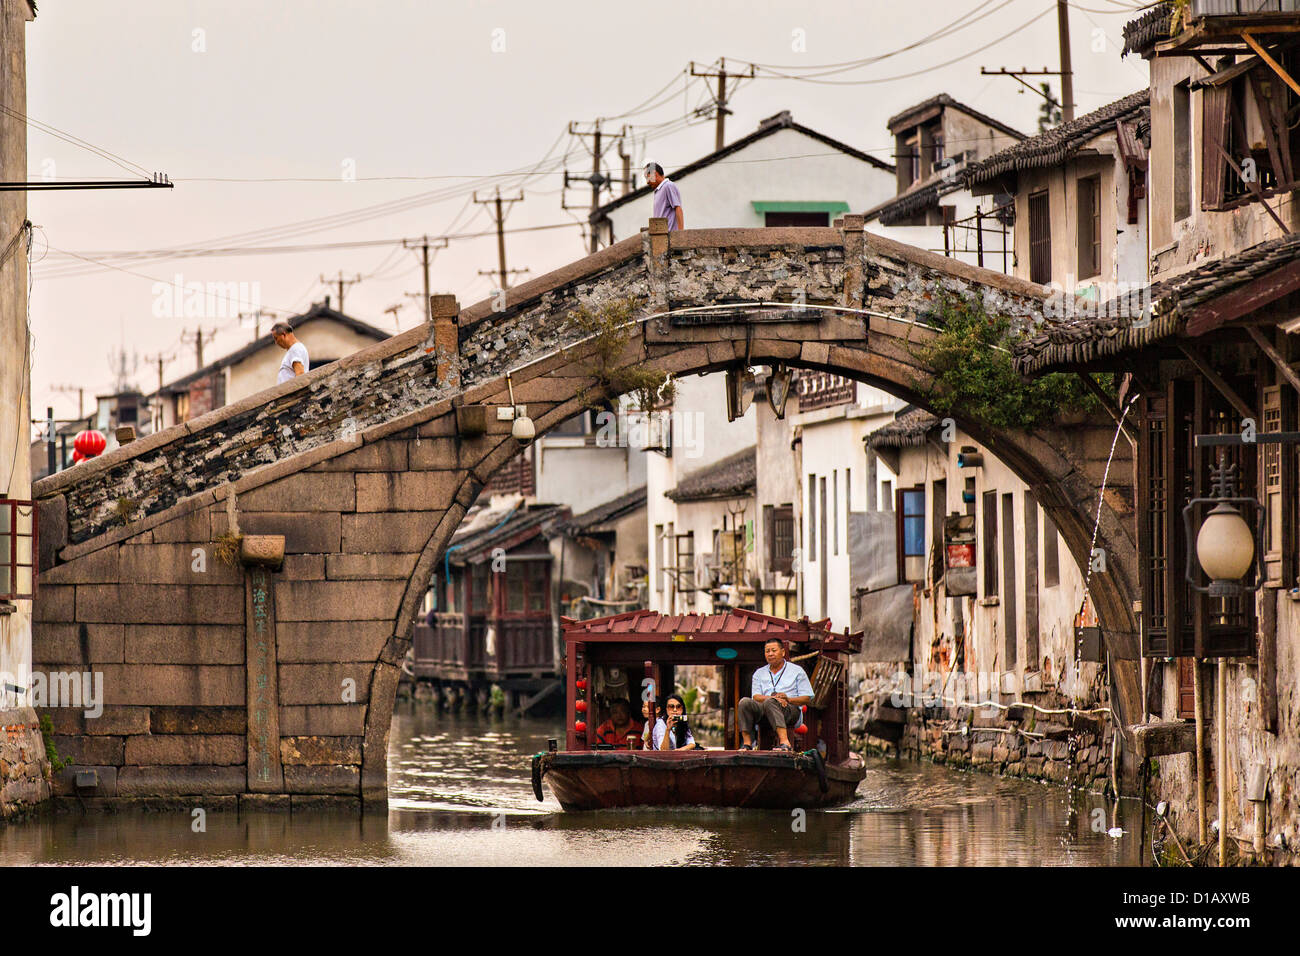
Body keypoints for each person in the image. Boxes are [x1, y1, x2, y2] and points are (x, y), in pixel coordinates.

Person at [738, 637, 813, 751]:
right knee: (744, 702)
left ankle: (785, 743)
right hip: (765, 708)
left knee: (770, 702)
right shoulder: (759, 673)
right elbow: (756, 697)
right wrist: (775, 699)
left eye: (774, 650)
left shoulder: (797, 671)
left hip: (790, 710)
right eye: (767, 651)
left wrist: (788, 699)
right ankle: (747, 744)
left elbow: (807, 698)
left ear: (783, 652)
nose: (770, 654)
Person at [644, 161, 684, 231]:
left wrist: (681, 233)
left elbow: (678, 208)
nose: (647, 182)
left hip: (669, 236)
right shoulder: (658, 191)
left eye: (647, 177)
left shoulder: (668, 186)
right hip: (661, 236)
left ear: (654, 174)